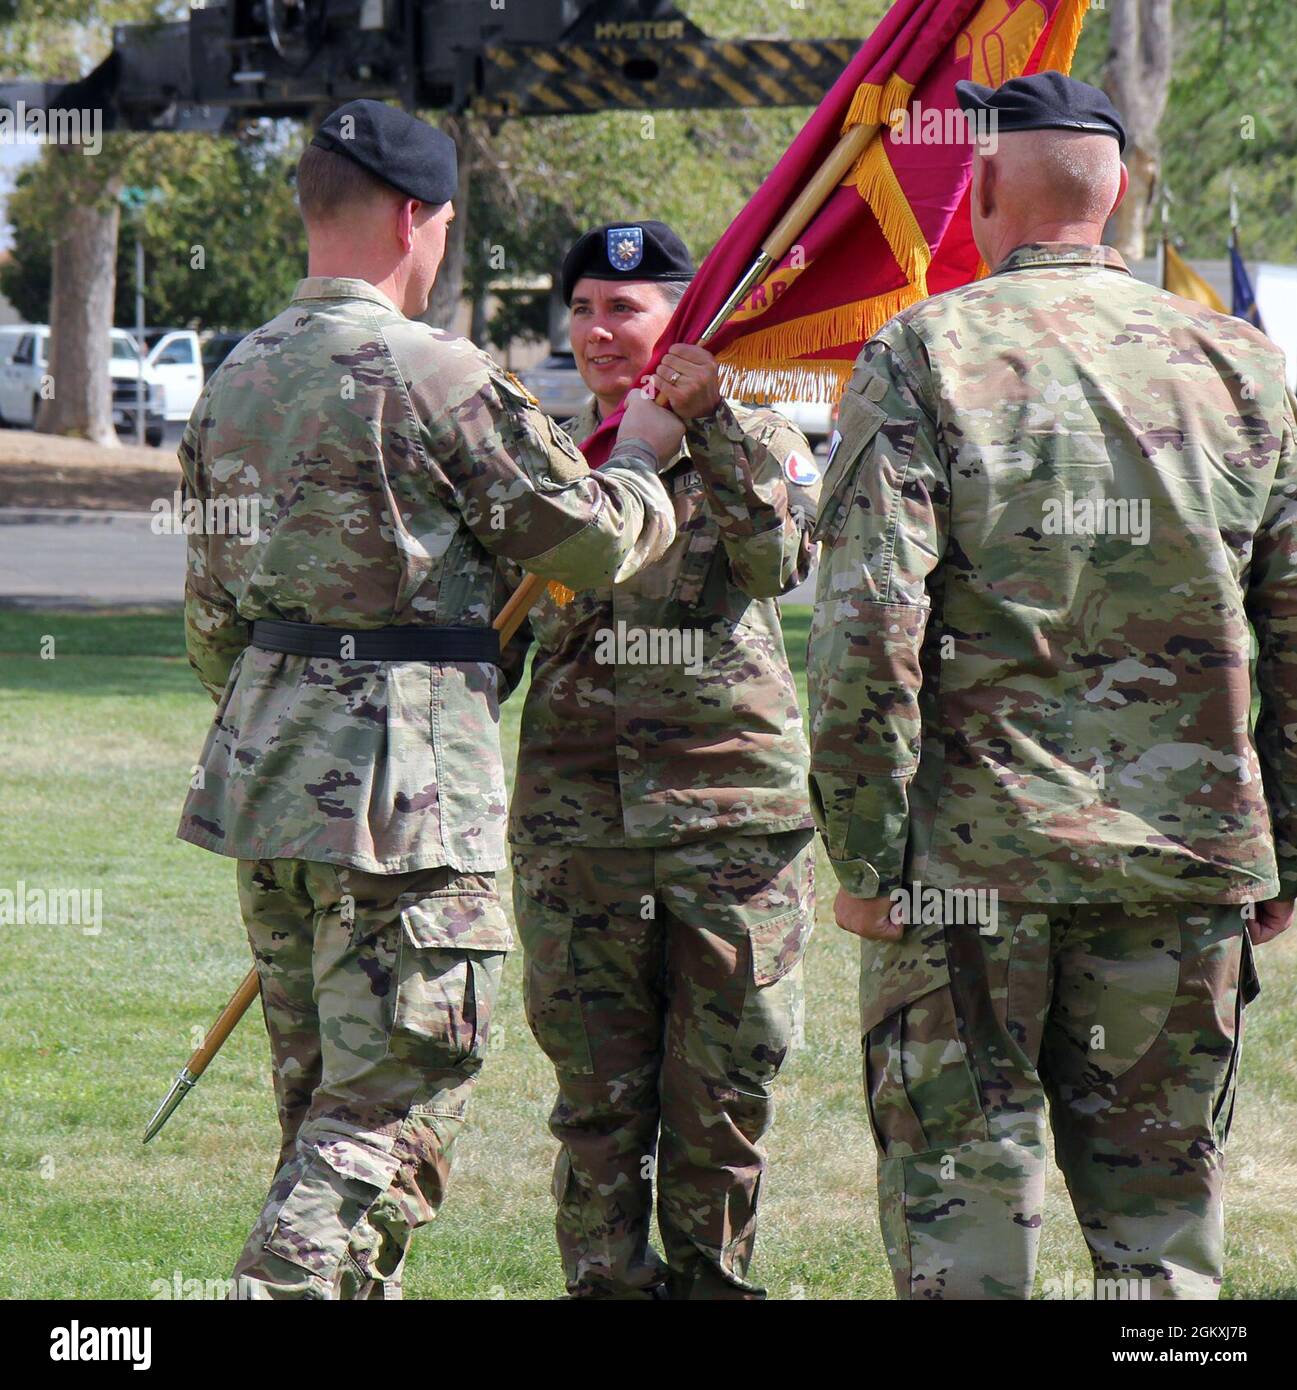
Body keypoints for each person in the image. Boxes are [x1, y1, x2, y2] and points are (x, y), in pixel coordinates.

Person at [175, 100, 684, 1300]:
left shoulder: (236, 374)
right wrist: (646, 454)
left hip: (265, 780)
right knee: (395, 1085)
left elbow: (209, 620)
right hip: (401, 800)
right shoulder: (440, 371)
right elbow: (595, 546)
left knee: (318, 1105)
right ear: (417, 220)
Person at [808, 71, 1294, 1300]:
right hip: (1180, 863)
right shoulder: (1243, 370)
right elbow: (1290, 629)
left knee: (965, 1234)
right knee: (1164, 1241)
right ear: (1117, 190)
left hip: (971, 878)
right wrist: (1283, 838)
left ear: (977, 192)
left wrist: (864, 856)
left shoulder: (922, 353)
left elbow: (868, 626)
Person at [507, 220, 822, 1299]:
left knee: (723, 1098)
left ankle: (714, 1287)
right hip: (578, 831)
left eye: (626, 309)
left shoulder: (759, 436)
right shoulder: (547, 458)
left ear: (680, 321)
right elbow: (486, 644)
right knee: (596, 1101)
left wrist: (711, 417)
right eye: (584, 307)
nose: (600, 331)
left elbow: (777, 559)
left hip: (728, 825)